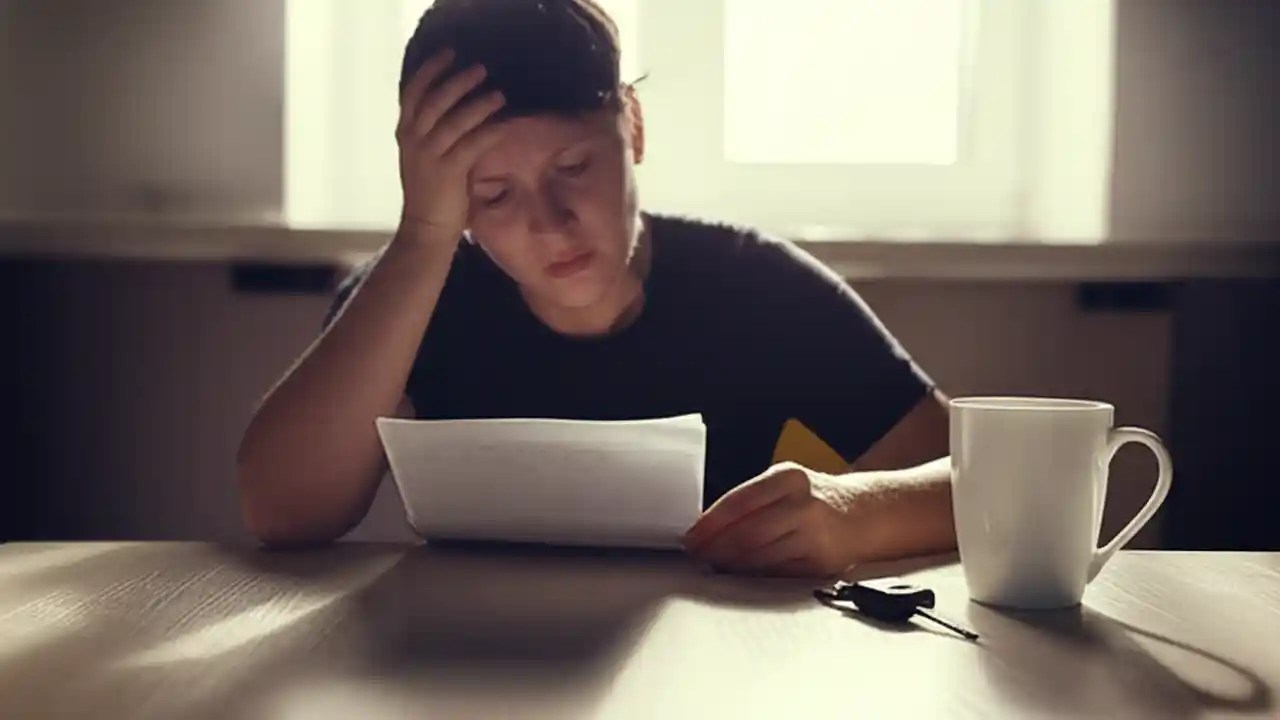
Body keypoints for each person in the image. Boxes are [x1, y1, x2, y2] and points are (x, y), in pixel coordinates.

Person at [236, 0, 955, 577]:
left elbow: (980, 477)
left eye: (573, 168)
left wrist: (855, 509)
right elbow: (282, 512)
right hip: (470, 669)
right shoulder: (416, 295)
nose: (549, 226)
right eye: (492, 194)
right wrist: (423, 233)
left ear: (632, 126)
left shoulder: (759, 289)